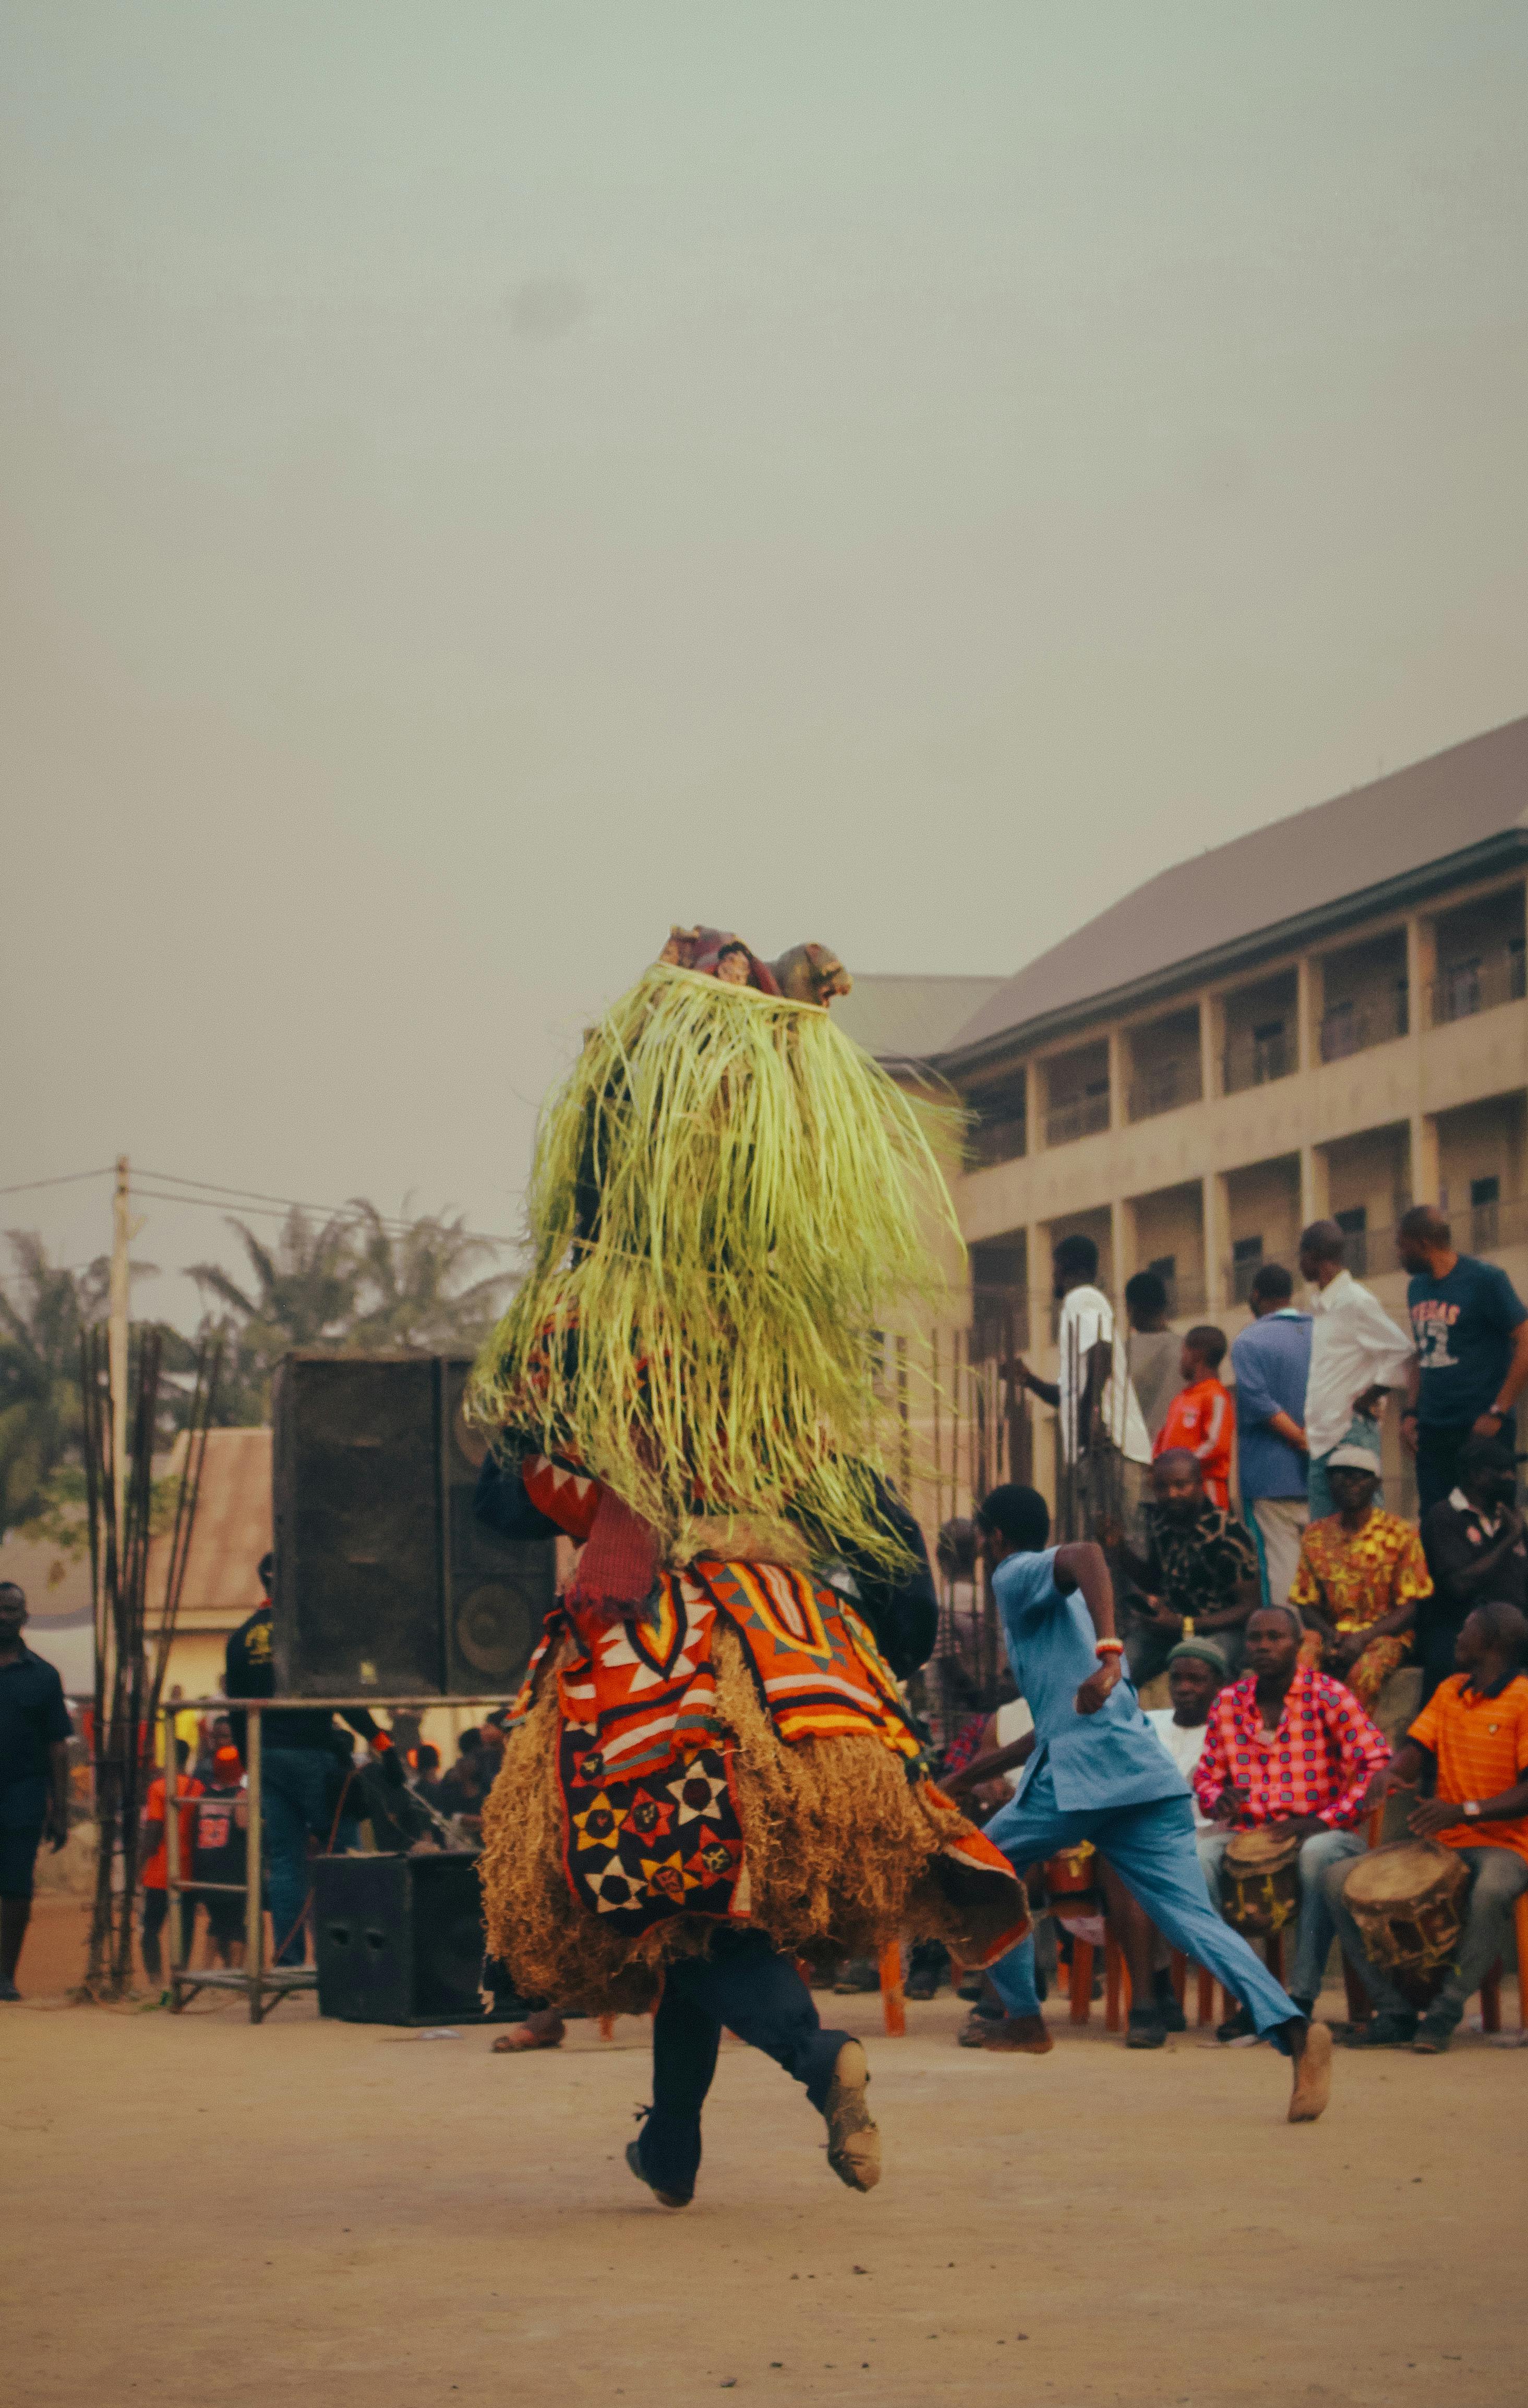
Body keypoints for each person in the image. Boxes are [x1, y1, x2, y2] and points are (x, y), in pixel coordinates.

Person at [472, 922, 1025, 2207]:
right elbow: (859, 1511)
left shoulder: (587, 1315)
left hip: (659, 1645)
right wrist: (889, 1635)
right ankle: (670, 2142)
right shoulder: (781, 1330)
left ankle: (816, 2054)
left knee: (671, 1901)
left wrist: (553, 1475)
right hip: (795, 1643)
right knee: (711, 1910)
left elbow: (522, 1488)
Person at [948, 1486, 1331, 2111]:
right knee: (1191, 1921)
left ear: (993, 1537)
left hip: (1083, 1780)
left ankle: (1021, 2016)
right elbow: (1055, 1724)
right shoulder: (1067, 1607)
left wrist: (1109, 1653)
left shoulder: (1014, 1575)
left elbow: (1087, 1553)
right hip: (1141, 1779)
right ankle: (1293, 2032)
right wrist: (964, 1778)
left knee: (978, 1869)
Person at [1327, 1602, 1528, 2052]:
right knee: (1336, 1879)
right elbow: (1415, 1750)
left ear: (1492, 1641)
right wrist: (1390, 1772)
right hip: (1443, 1841)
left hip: (1507, 1845)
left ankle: (1444, 2012)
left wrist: (1464, 1812)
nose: (1456, 1636)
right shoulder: (1449, 1689)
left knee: (1491, 1889)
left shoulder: (1523, 1698)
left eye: (1466, 1629)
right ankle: (1393, 2011)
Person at [1193, 1604, 1390, 2027]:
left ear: (1298, 1645)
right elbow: (1206, 1778)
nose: (1263, 1646)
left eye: (1275, 1637)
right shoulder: (1228, 1701)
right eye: (1254, 1637)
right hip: (1249, 1834)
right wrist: (1218, 1798)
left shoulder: (1328, 1695)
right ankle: (1255, 1995)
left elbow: (1377, 1765)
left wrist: (1322, 1820)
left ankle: (1300, 1997)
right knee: (1196, 1861)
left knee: (1316, 1854)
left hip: (1324, 1832)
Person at [224, 1552, 400, 1966]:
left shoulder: (240, 1638)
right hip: (314, 1755)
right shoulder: (312, 1632)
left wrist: (252, 1765)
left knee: (286, 1862)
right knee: (344, 1856)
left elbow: (235, 1711)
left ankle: (289, 1961)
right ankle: (347, 1961)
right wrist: (383, 1743)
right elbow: (342, 1696)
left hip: (267, 1757)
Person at [1397, 1204, 1528, 1518]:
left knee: (1493, 1520)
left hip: (1480, 1428)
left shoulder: (1486, 1280)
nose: (1399, 1256)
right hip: (1434, 1429)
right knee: (1436, 1522)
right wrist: (1411, 1412)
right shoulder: (1417, 1288)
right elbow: (1422, 1354)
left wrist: (1499, 1411)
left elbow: (1525, 1340)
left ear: (1424, 1244)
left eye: (1403, 1246)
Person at [1289, 1447, 1432, 1711]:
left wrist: (1362, 1640)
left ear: (1376, 1484)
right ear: (1329, 1483)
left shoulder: (1401, 1533)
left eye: (1359, 1476)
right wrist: (1332, 1637)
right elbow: (1305, 1602)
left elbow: (1410, 1607)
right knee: (1300, 1666)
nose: (1349, 1483)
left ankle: (1352, 1734)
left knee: (1364, 1673)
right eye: (1340, 1476)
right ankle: (1304, 1732)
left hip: (1385, 1636)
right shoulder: (1315, 1535)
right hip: (1330, 1634)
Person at [1015, 1233, 1152, 1504]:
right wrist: (1029, 1380)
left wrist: (1094, 1416)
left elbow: (1102, 1349)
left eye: (1054, 1268)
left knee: (1116, 1528)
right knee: (1103, 1528)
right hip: (1103, 1448)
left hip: (1110, 1446)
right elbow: (1071, 1398)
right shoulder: (1080, 1305)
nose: (1053, 1276)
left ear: (1066, 1267)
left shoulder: (1081, 1297)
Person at [1298, 1220, 1414, 1520]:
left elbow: (1402, 1353)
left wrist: (1369, 1397)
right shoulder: (1324, 1306)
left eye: (1302, 1256)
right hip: (1322, 1438)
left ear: (1313, 1256)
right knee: (1325, 1535)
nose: (1300, 1264)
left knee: (1365, 1532)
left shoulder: (1355, 1301)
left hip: (1350, 1434)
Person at [1113, 1450, 1260, 1685]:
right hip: (1168, 1632)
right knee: (1117, 1670)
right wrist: (1119, 1550)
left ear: (1199, 1484)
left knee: (1198, 1667)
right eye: (1162, 1487)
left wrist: (1186, 1624)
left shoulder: (1228, 1533)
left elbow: (1250, 1606)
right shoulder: (1160, 1523)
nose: (1171, 1494)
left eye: (1181, 1486)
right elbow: (1155, 1582)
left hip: (1223, 1632)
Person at [0, 1583, 72, 2001]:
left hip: (23, 1794)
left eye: (11, 1609)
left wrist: (60, 1808)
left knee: (15, 1885)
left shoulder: (44, 1676)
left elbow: (58, 1745)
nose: (3, 1616)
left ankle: (5, 1976)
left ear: (24, 1617)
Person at [1419, 1437, 1527, 1702]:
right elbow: (1459, 1584)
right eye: (1501, 1471)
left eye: (1512, 1471)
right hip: (1464, 1628)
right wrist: (1510, 1538)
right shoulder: (1444, 1516)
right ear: (1474, 1475)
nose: (1511, 1478)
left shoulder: (1509, 1518)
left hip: (1517, 1628)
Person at [1230, 1265, 1313, 1606]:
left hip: (1268, 1478)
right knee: (1321, 1569)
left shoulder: (1248, 1341)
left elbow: (1259, 1401)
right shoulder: (1320, 1331)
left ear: (1255, 1295)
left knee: (1280, 1569)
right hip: (1321, 1473)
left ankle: (1285, 1636)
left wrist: (1298, 1438)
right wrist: (1312, 1442)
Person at [139, 1740, 203, 1985]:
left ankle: (155, 1980)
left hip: (159, 1869)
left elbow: (154, 1829)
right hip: (188, 1869)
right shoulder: (198, 1787)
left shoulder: (158, 1787)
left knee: (151, 1928)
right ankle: (181, 1977)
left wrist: (140, 1863)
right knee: (185, 1928)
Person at [1152, 1325, 1235, 1510]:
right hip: (1176, 1496)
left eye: (1184, 1354)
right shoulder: (1181, 1398)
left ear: (1196, 1355)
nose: (1181, 1361)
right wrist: (1157, 1463)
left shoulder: (1216, 1396)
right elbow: (1162, 1440)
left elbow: (1215, 1445)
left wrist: (1178, 1466)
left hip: (1207, 1492)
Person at [187, 1745, 248, 1966]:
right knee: (236, 1924)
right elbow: (243, 1824)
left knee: (217, 1922)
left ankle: (207, 1969)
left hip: (207, 1868)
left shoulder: (204, 1796)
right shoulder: (240, 1795)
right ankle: (235, 1972)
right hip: (232, 1869)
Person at [1123, 1270, 1182, 1447]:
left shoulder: (1122, 1354)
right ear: (1165, 1305)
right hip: (1181, 1454)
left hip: (1136, 1453)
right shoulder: (1187, 1349)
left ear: (1130, 1309)